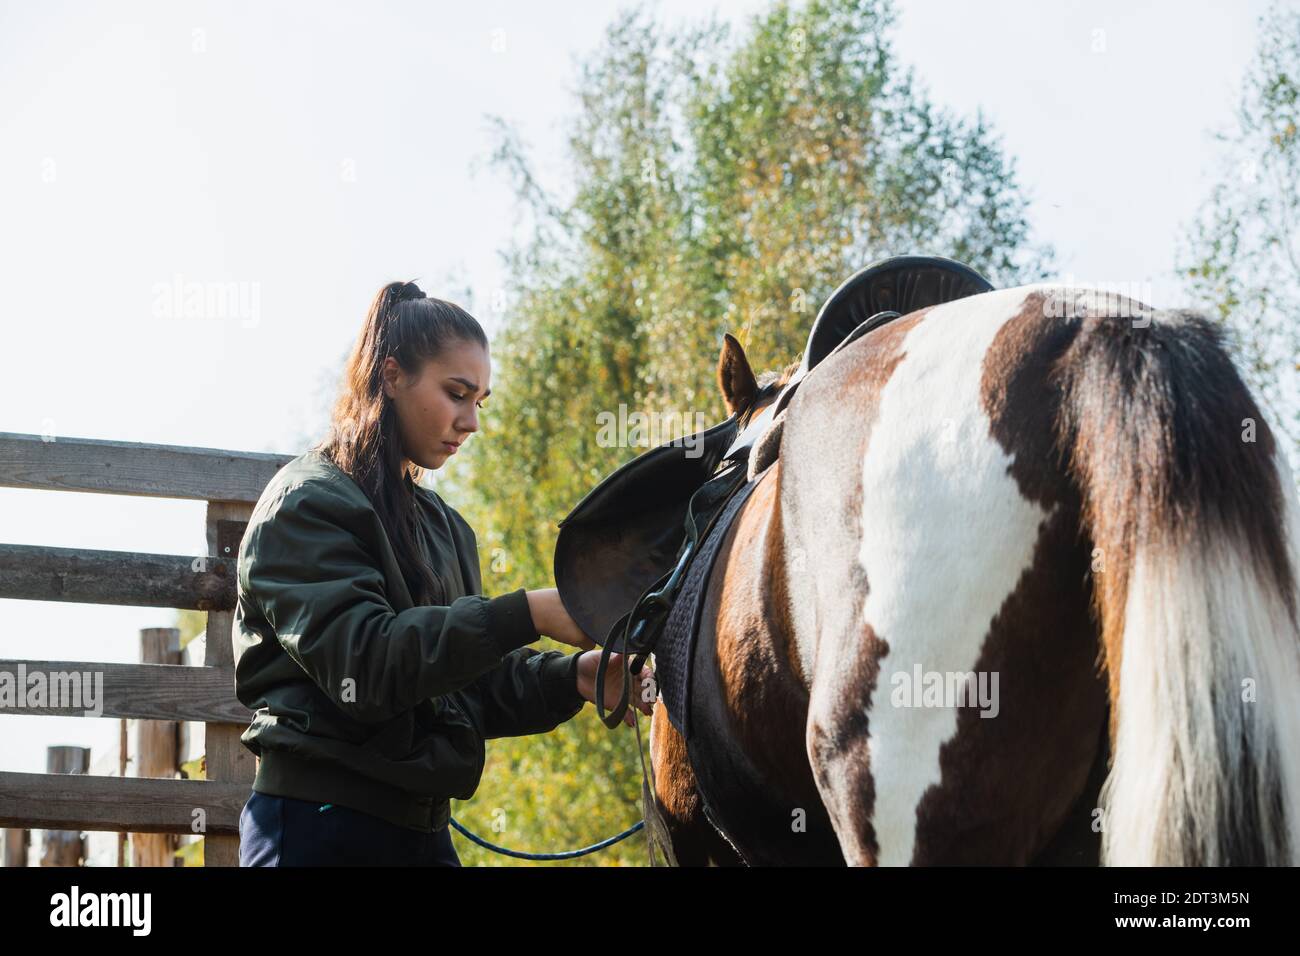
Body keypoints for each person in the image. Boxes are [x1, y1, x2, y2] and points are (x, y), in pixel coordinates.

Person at [233, 279, 652, 866]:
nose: (471, 422)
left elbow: (464, 684)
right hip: (315, 830)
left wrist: (574, 678)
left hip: (422, 837)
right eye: (457, 393)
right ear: (391, 375)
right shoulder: (306, 505)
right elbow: (368, 667)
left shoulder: (447, 528)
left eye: (480, 402)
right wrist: (528, 611)